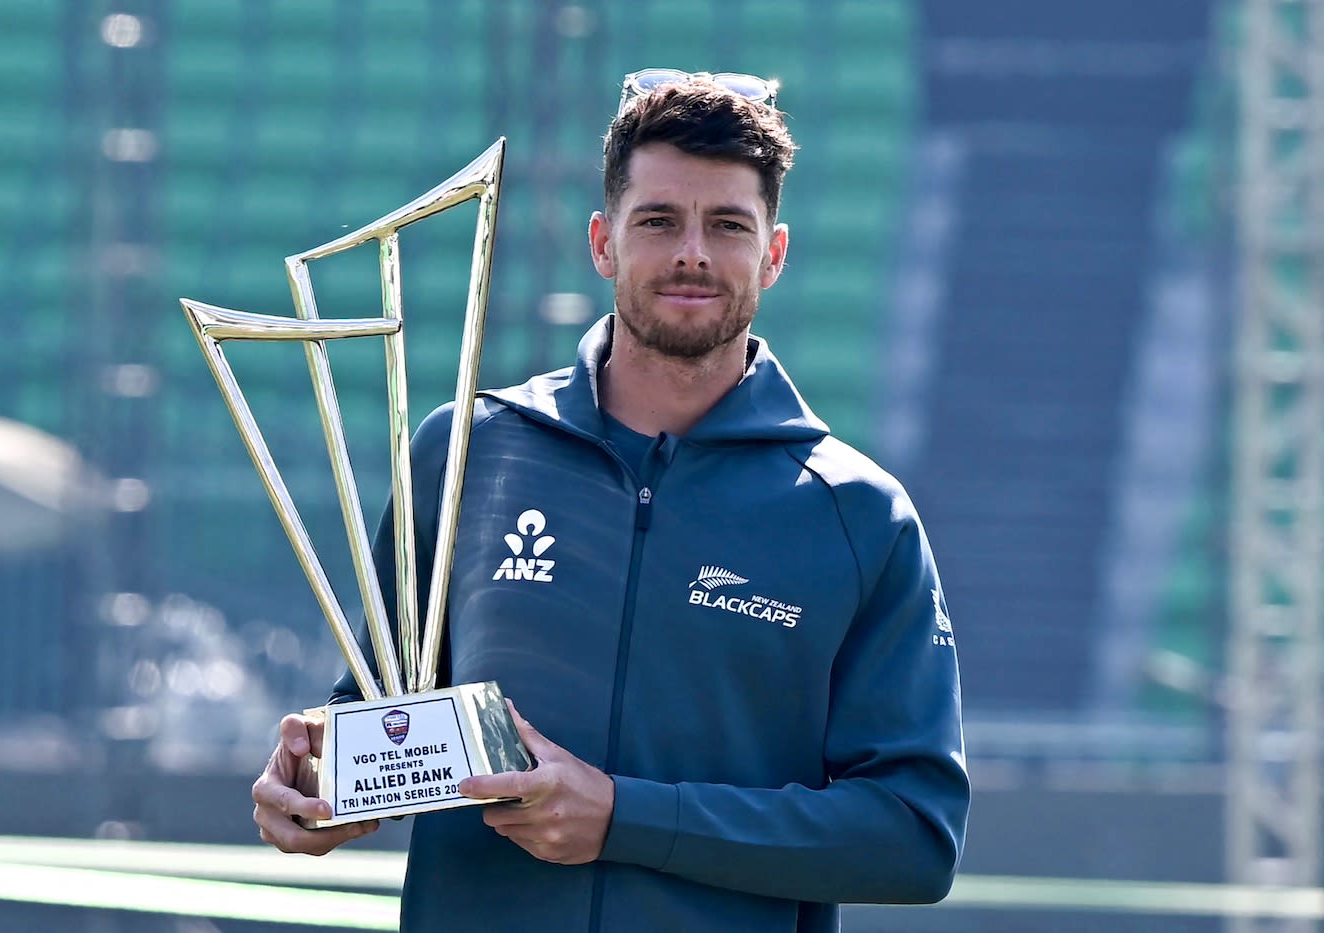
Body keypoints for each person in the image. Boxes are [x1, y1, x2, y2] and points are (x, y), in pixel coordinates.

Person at [252, 70, 969, 932]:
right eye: (658, 220)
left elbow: (916, 835)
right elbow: (379, 718)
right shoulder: (468, 450)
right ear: (603, 242)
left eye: (729, 226)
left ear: (775, 253)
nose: (692, 254)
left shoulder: (857, 514)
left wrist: (625, 818)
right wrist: (317, 783)